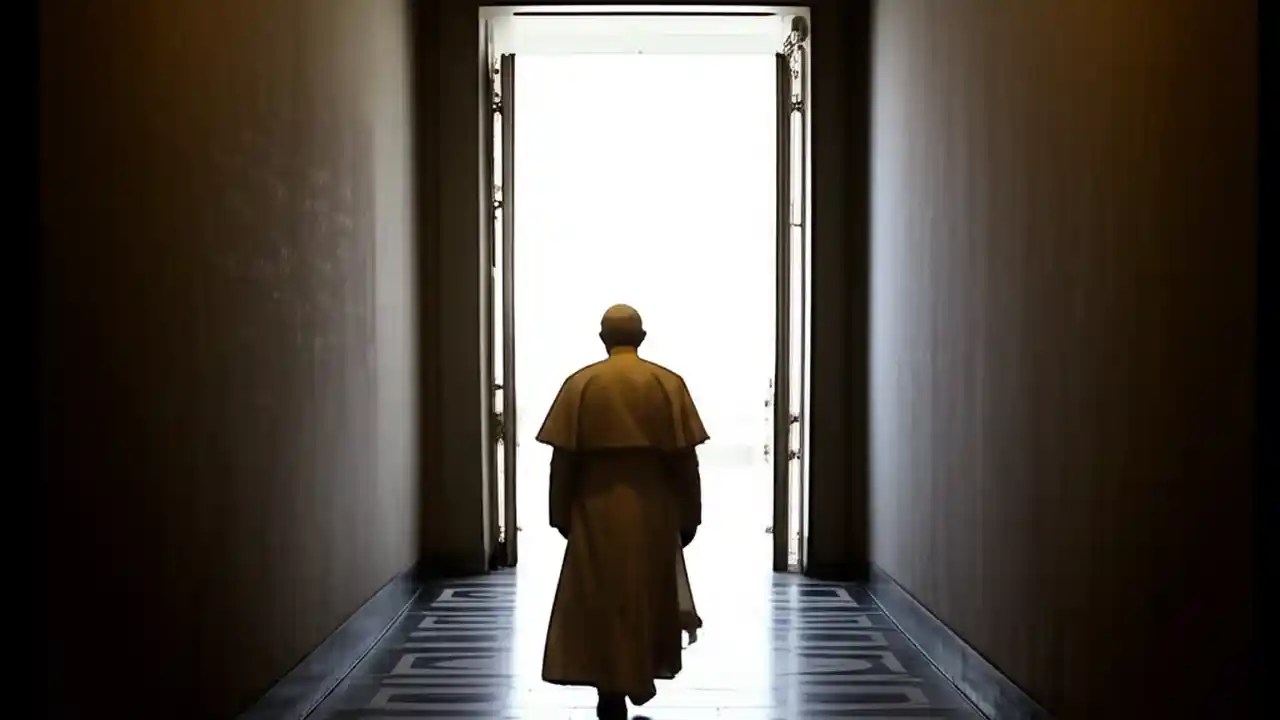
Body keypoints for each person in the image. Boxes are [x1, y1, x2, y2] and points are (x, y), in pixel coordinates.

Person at [536, 304, 708, 719]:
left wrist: (560, 513)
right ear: (642, 337)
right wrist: (690, 514)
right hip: (653, 507)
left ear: (602, 339)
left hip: (595, 508)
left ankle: (609, 681)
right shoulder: (667, 383)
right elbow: (685, 461)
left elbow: (563, 462)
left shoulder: (581, 384)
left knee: (601, 599)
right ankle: (638, 672)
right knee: (646, 594)